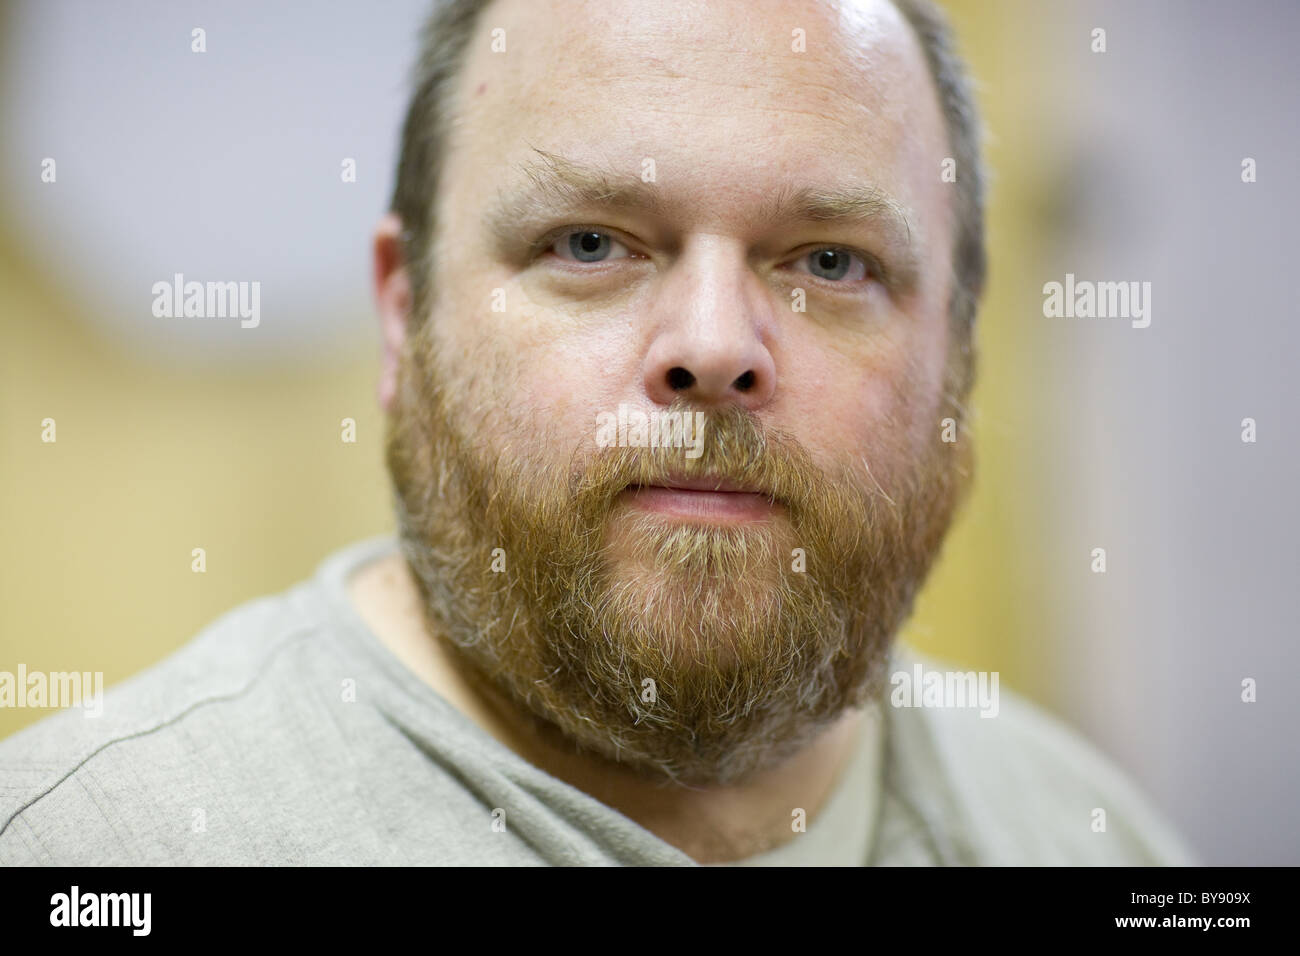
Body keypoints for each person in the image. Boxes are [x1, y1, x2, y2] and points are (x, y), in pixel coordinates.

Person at [0, 0, 1194, 866]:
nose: (716, 344)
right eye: (589, 243)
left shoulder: (1095, 836)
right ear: (402, 318)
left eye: (831, 261)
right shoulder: (89, 844)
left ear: (960, 354)